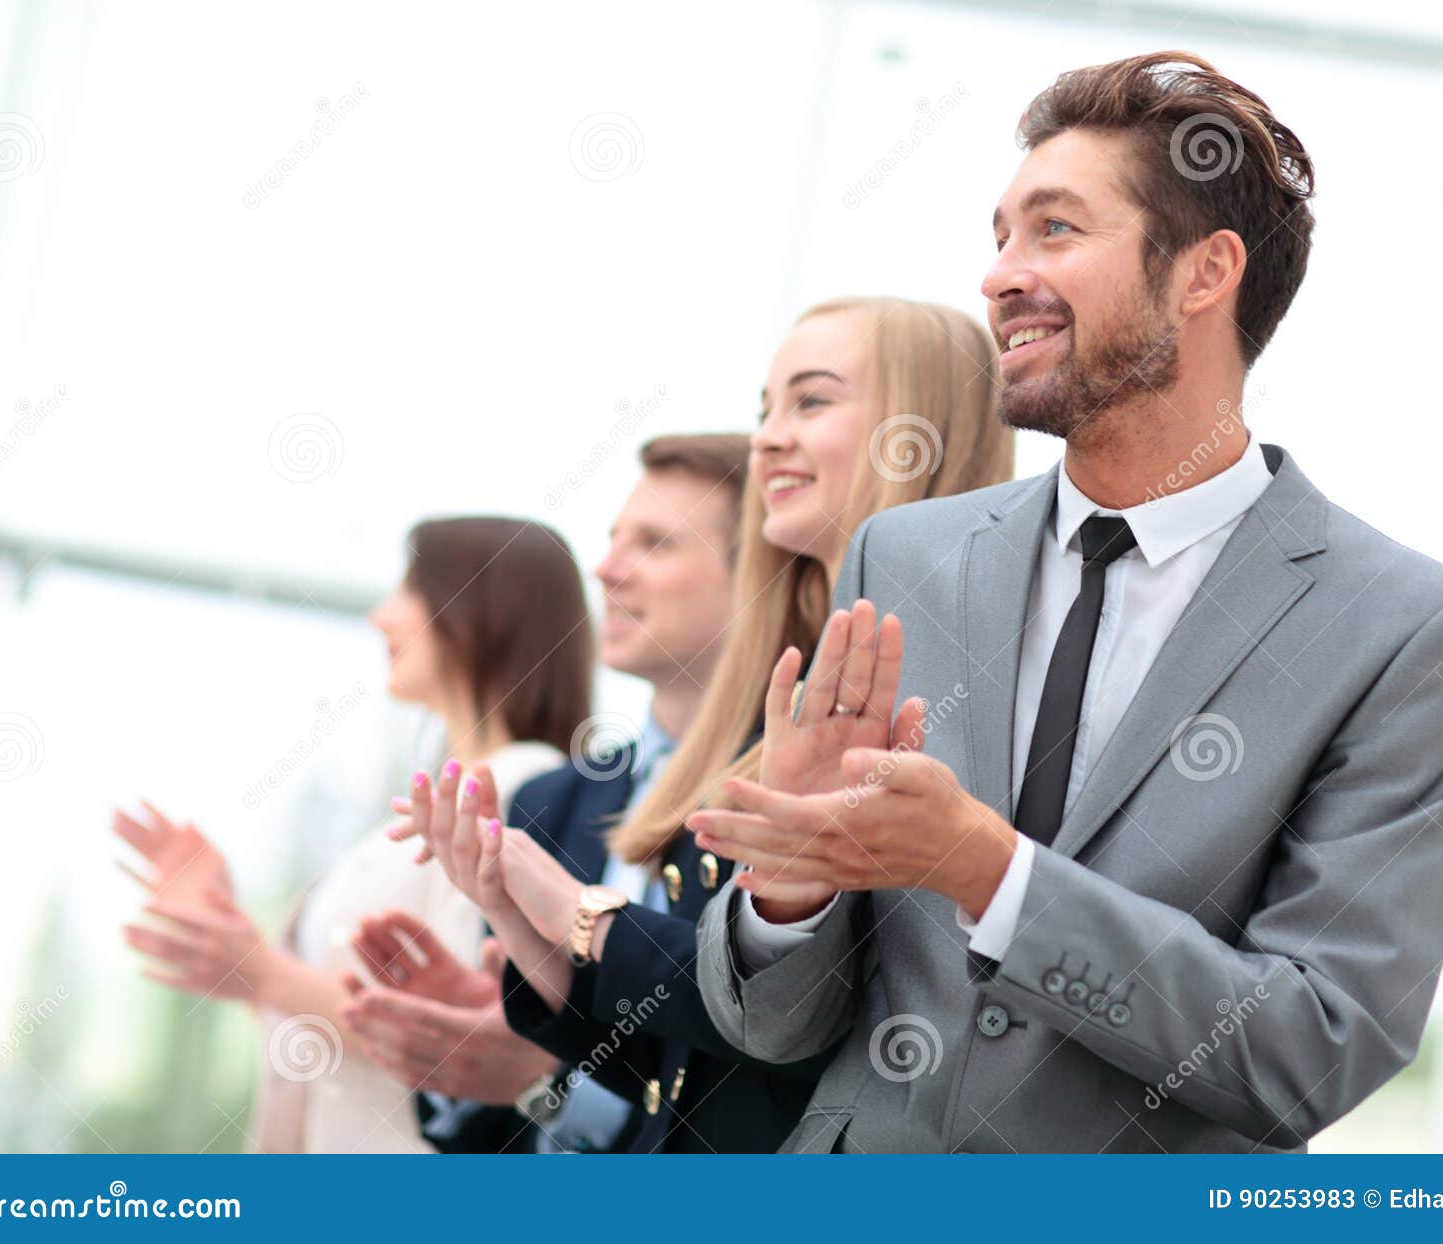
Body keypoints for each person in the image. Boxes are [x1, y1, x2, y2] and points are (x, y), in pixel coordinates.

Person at [691, 51, 1443, 1153]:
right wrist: (789, 891)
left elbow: (1313, 1048)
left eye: (1055, 230)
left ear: (1203, 273)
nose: (998, 275)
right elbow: (782, 1029)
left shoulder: (1405, 629)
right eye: (998, 236)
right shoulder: (904, 555)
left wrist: (988, 868)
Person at [398, 296, 1016, 1151]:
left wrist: (578, 912)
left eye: (811, 401)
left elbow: (845, 1031)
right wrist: (517, 918)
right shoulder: (790, 714)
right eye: (765, 409)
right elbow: (695, 1067)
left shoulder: (973, 700)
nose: (767, 437)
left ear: (921, 428)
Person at [117, 516, 589, 1152]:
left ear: (481, 610)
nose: (382, 618)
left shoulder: (523, 786)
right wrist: (234, 939)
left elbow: (461, 1037)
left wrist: (260, 971)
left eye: (409, 591)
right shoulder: (447, 796)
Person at [341, 433, 748, 1153]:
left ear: (759, 576)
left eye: (655, 544)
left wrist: (548, 1075)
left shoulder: (775, 804)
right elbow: (494, 1131)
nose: (607, 569)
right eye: (613, 539)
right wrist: (476, 1043)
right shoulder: (555, 803)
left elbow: (746, 1052)